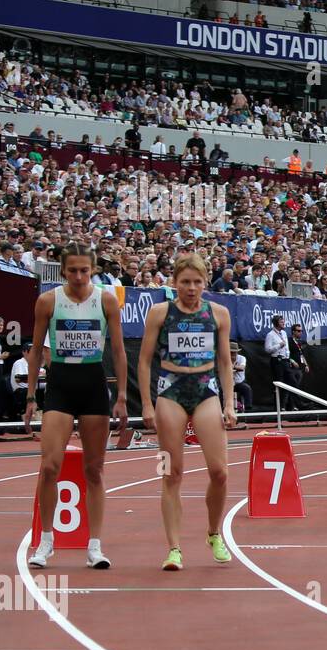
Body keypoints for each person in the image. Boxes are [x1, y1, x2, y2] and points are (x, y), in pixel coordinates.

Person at [26, 242, 130, 570]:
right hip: (59, 386)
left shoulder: (107, 300)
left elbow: (118, 352)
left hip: (93, 386)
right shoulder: (48, 301)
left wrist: (124, 396)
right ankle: (45, 541)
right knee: (50, 466)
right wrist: (30, 397)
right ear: (63, 270)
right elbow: (34, 354)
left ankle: (94, 546)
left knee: (94, 470)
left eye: (85, 270)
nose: (79, 276)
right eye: (72, 270)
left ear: (94, 269)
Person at [137, 254, 237, 570]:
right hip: (171, 392)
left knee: (219, 472)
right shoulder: (160, 313)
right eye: (185, 282)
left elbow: (224, 361)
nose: (191, 288)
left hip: (206, 390)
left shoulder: (218, 314)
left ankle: (213, 532)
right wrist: (147, 403)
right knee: (172, 472)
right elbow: (143, 361)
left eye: (196, 282)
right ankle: (174, 548)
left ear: (205, 283)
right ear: (174, 283)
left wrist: (229, 402)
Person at [230, 341, 253, 413]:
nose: (233, 354)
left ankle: (248, 409)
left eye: (235, 352)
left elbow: (242, 368)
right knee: (221, 390)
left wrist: (232, 366)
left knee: (247, 388)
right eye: (231, 352)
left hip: (239, 382)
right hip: (228, 383)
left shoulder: (242, 358)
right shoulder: (225, 359)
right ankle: (222, 409)